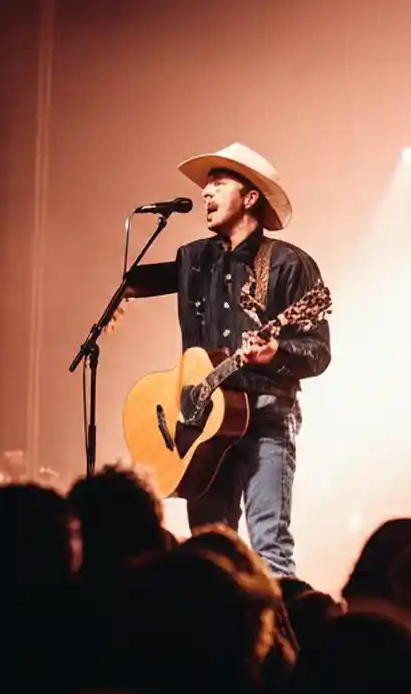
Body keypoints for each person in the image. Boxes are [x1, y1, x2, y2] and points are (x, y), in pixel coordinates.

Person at [124, 142, 331, 576]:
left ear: (250, 197)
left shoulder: (288, 264)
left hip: (266, 420)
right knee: (207, 557)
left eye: (218, 183)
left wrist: (277, 352)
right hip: (201, 429)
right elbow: (136, 282)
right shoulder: (194, 259)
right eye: (206, 186)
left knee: (269, 549)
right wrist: (120, 296)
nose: (205, 193)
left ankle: (285, 639)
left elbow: (319, 352)